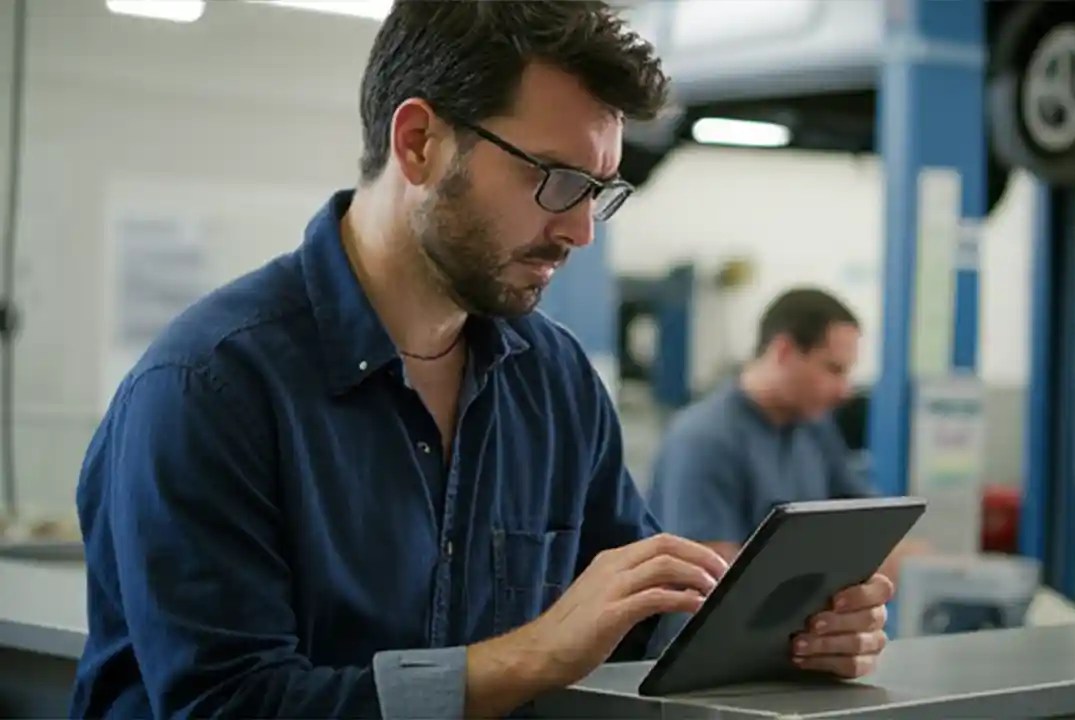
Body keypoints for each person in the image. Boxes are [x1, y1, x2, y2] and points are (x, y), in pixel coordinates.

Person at [71, 4, 894, 718]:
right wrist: (532, 656)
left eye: (601, 189)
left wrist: (780, 637)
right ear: (420, 141)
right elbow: (232, 705)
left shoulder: (554, 381)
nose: (581, 231)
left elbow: (641, 621)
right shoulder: (208, 390)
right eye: (556, 179)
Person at [647, 288, 927, 574]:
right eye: (833, 369)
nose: (845, 390)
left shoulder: (813, 428)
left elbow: (870, 519)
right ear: (784, 352)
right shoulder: (703, 440)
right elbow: (712, 578)